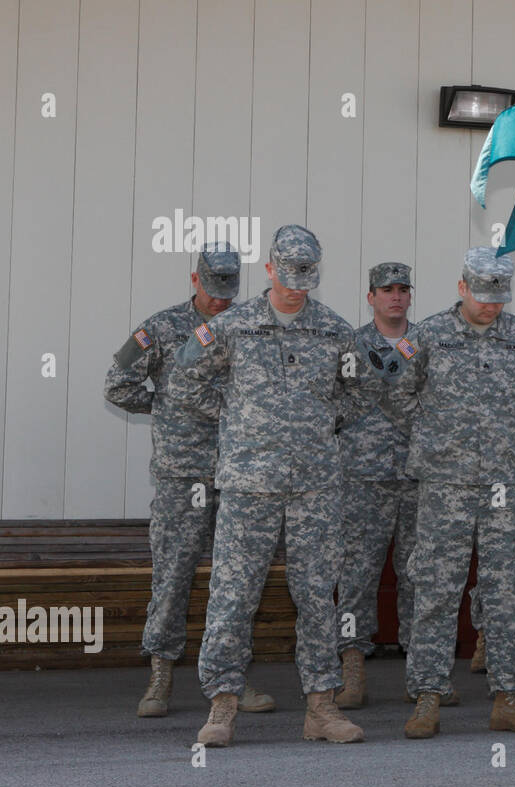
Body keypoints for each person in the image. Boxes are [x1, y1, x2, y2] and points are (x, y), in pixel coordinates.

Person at [171, 225, 384, 747]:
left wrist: (325, 420)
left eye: (305, 277)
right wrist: (237, 418)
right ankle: (222, 705)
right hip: (249, 483)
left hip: (315, 485)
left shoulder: (335, 332)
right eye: (286, 276)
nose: (295, 287)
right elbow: (183, 380)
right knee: (232, 594)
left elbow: (361, 389)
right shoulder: (233, 326)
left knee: (316, 596)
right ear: (269, 270)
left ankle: (321, 707)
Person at [104, 242, 274, 718]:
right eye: (214, 289)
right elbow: (116, 384)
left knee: (237, 582)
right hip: (183, 476)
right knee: (174, 576)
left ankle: (231, 681)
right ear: (195, 279)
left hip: (242, 474)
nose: (221, 300)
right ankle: (160, 677)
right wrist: (167, 407)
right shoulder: (160, 328)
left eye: (229, 290)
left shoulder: (248, 326)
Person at [399, 247, 515, 739]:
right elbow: (397, 394)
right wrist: (434, 436)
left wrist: (509, 431)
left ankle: (509, 696)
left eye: (499, 298)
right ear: (462, 287)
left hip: (503, 483)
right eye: (482, 297)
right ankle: (427, 696)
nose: (491, 307)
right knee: (436, 586)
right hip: (445, 481)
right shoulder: (428, 335)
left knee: (508, 587)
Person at [335, 262, 421, 708]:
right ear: (370, 297)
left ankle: (419, 671)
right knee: (357, 575)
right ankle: (351, 664)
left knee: (418, 574)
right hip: (363, 478)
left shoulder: (427, 343)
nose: (395, 297)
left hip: (416, 475)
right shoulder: (349, 345)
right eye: (386, 290)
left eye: (403, 289)